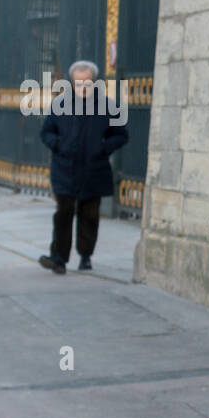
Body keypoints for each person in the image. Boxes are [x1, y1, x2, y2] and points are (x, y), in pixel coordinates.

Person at [38, 60, 128, 274]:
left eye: (86, 83)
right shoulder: (60, 105)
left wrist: (104, 148)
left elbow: (122, 135)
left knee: (89, 214)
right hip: (64, 168)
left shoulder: (107, 106)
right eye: (78, 83)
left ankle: (85, 255)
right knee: (63, 212)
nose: (82, 88)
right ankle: (58, 258)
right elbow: (46, 132)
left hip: (93, 169)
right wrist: (57, 144)